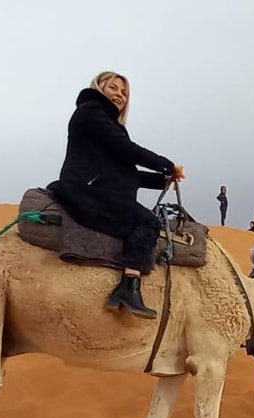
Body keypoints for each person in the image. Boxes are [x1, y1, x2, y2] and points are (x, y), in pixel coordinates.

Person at [48, 71, 184, 319]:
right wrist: (166, 164)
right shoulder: (91, 112)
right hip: (88, 192)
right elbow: (127, 151)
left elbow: (124, 173)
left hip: (97, 188)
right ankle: (129, 286)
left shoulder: (105, 122)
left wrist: (162, 179)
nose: (120, 95)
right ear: (99, 87)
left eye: (124, 93)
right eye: (114, 88)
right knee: (149, 222)